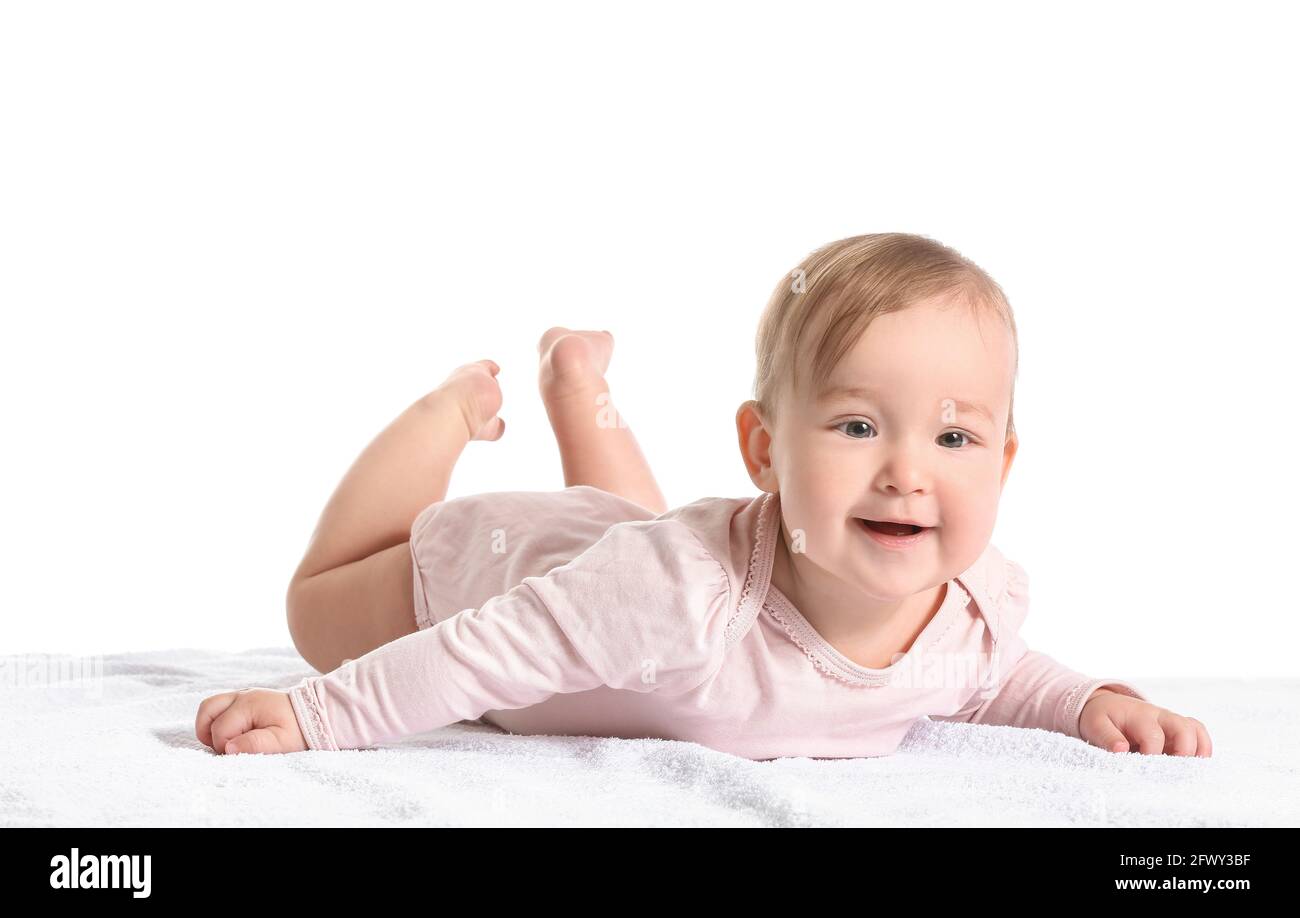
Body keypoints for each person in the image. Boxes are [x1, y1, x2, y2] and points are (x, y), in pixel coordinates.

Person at [195, 233, 1212, 760]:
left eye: (954, 436)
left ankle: (580, 391)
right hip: (501, 573)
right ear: (761, 450)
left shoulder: (975, 607)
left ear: (1004, 460)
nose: (908, 470)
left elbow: (993, 680)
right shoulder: (674, 590)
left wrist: (1088, 702)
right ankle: (449, 411)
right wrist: (319, 717)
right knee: (317, 607)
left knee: (637, 544)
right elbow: (479, 654)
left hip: (629, 568)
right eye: (857, 425)